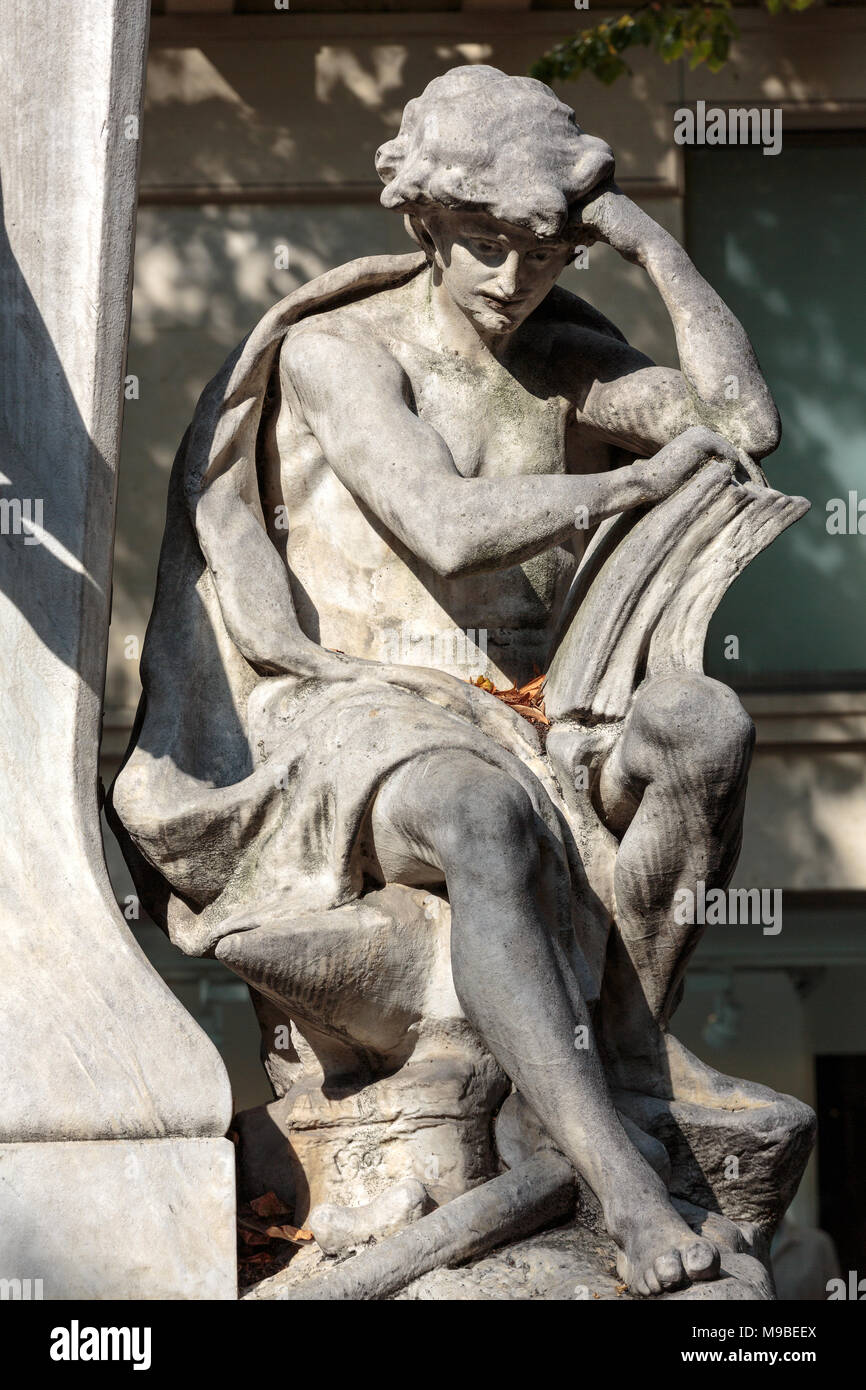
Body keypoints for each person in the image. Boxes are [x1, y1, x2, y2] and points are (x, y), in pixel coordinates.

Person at [111, 66, 784, 1295]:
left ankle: (625, 1060)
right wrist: (621, 485)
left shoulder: (567, 357)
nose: (508, 278)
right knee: (475, 812)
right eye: (480, 244)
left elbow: (742, 426)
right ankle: (625, 1193)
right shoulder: (336, 348)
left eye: (539, 249)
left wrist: (641, 243)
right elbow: (443, 524)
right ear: (422, 221)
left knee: (702, 721)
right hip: (346, 704)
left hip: (537, 711)